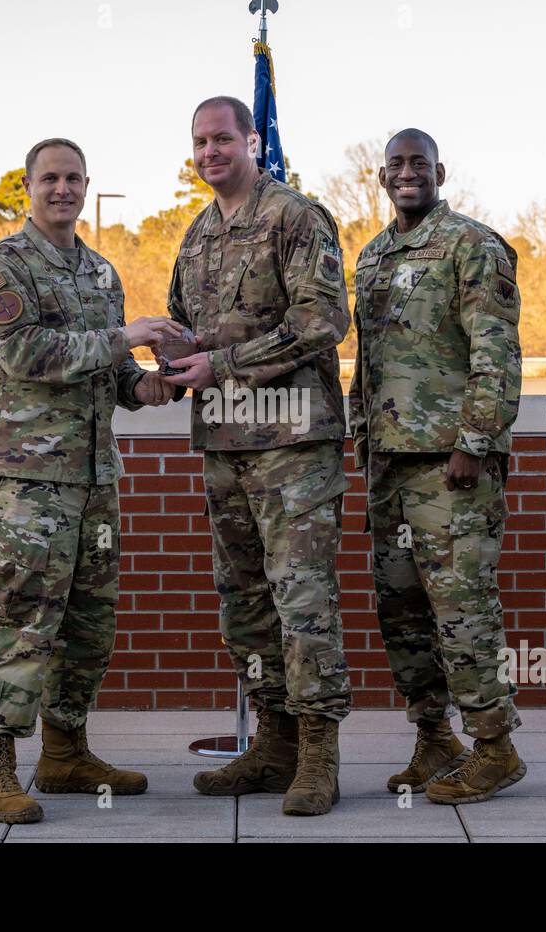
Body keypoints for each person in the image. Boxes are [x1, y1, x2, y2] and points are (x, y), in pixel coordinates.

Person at [0, 138, 179, 824]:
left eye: (73, 178)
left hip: (92, 479)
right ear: (28, 186)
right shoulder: (4, 265)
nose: (62, 189)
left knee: (89, 625)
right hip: (26, 482)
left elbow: (114, 382)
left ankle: (64, 751)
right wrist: (126, 336)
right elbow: (24, 353)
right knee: (21, 622)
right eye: (49, 178)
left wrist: (158, 382)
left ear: (87, 186)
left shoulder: (100, 273)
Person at [162, 96, 352, 816]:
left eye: (223, 139)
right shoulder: (197, 234)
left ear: (252, 139)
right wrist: (171, 359)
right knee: (246, 609)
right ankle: (271, 745)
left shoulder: (295, 216)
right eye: (200, 141)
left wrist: (226, 365)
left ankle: (317, 757)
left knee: (303, 604)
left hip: (293, 448)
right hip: (224, 447)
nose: (211, 152)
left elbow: (323, 321)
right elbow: (189, 327)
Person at [349, 129, 526, 804]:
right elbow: (366, 367)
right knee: (402, 614)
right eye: (395, 165)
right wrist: (364, 447)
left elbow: (496, 354)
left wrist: (474, 443)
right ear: (382, 176)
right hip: (390, 468)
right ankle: (434, 740)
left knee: (462, 610)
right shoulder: (371, 256)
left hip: (452, 468)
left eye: (417, 163)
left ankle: (495, 747)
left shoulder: (472, 246)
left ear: (439, 171)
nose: (406, 174)